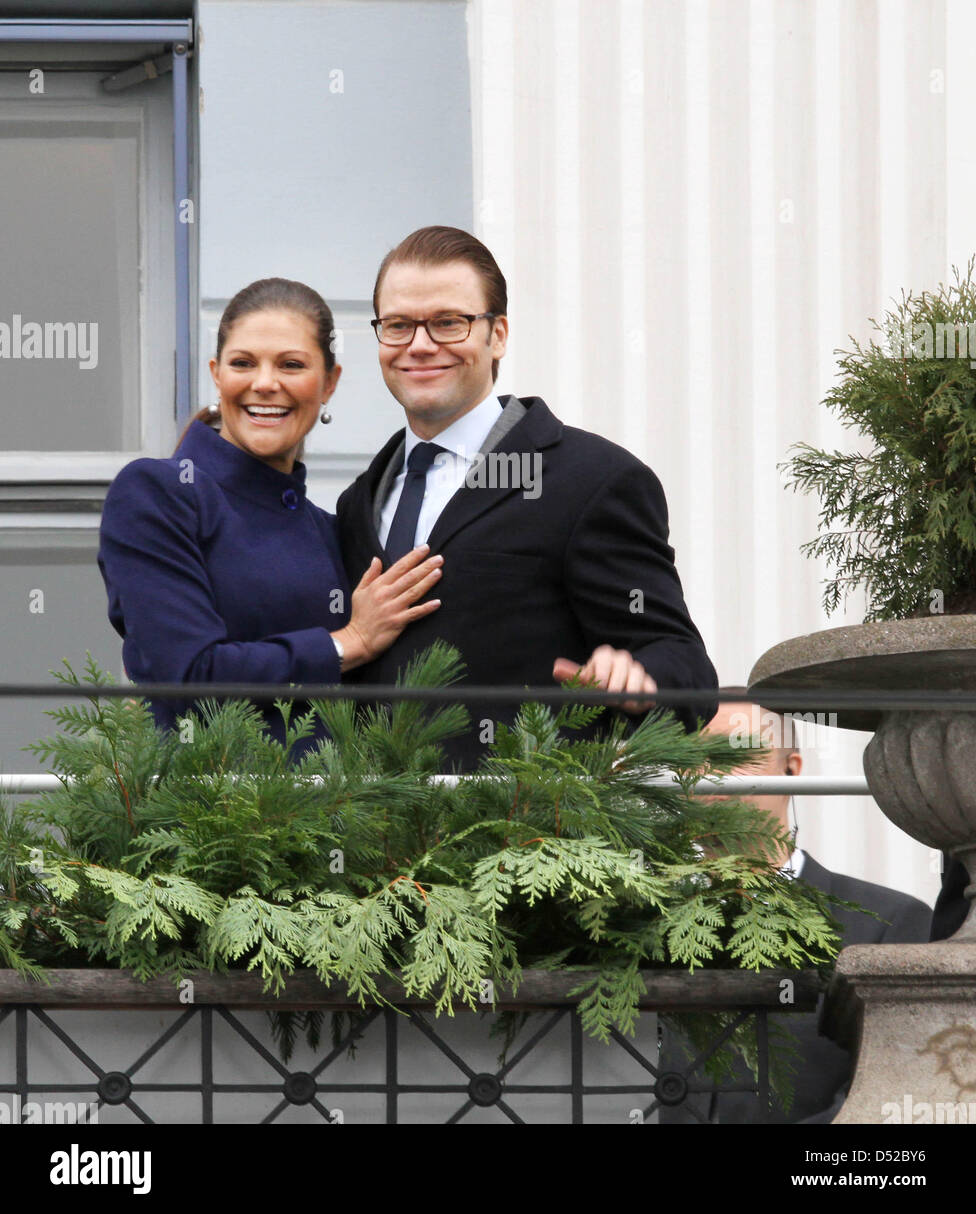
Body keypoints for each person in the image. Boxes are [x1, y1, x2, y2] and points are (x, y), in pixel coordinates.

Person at [336, 226, 718, 771]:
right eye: (398, 325)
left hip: (521, 817)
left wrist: (638, 678)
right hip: (373, 818)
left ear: (498, 336)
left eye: (449, 322)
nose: (419, 345)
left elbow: (686, 671)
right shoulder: (359, 503)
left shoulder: (592, 480)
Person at [98, 277, 443, 756]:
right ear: (217, 374)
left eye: (291, 365)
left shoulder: (331, 528)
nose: (264, 383)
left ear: (329, 383)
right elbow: (188, 675)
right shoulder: (157, 493)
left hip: (339, 801)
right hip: (204, 799)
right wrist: (348, 642)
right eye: (243, 363)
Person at [659, 702, 933, 1125]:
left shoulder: (889, 925)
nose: (710, 777)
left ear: (791, 770)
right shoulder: (639, 923)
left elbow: (894, 1087)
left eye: (733, 756)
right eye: (692, 761)